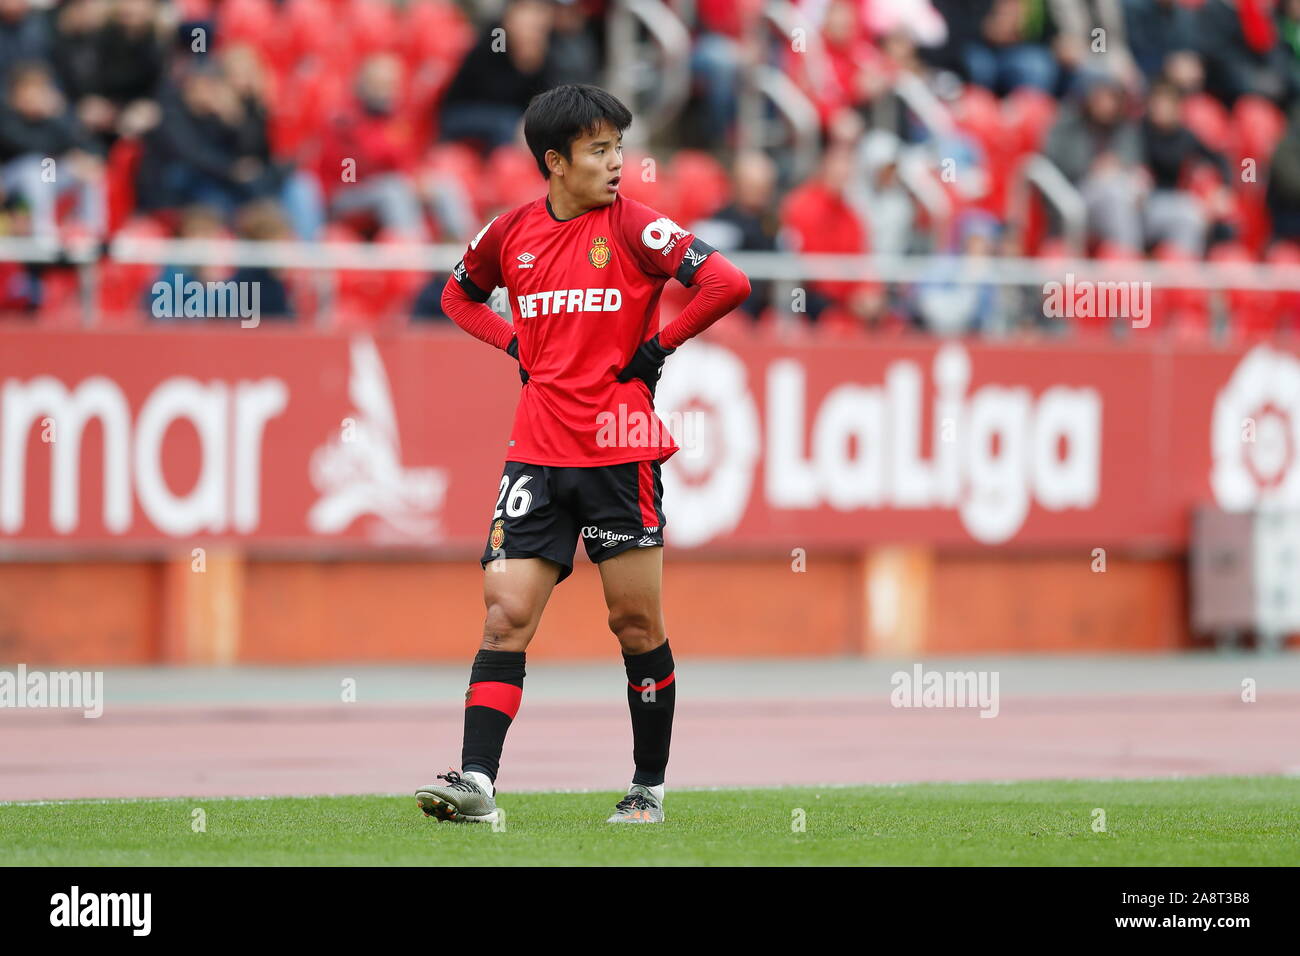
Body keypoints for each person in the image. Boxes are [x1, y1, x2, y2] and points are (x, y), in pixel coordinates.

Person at [416, 84, 749, 825]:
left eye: (619, 149)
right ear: (556, 162)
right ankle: (478, 783)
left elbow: (728, 281)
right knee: (505, 617)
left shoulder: (636, 227)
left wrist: (657, 348)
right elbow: (458, 296)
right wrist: (516, 346)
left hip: (619, 452)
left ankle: (648, 788)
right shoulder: (509, 234)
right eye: (600, 151)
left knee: (634, 624)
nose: (617, 164)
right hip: (535, 453)